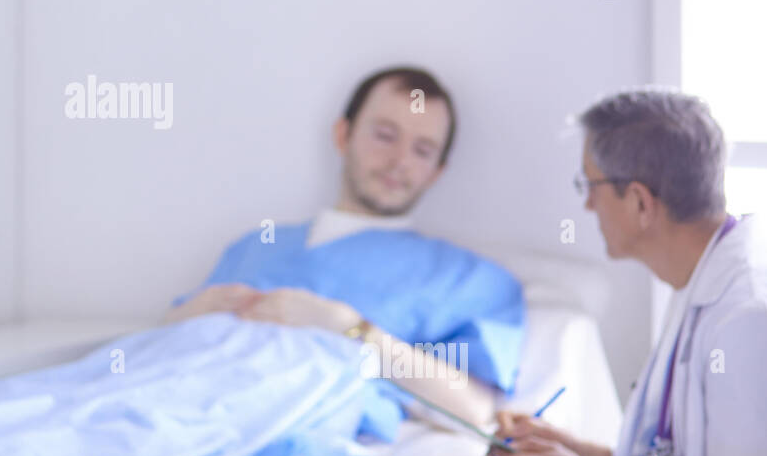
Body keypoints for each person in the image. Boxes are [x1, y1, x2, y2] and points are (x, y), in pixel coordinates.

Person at [162, 66, 526, 426]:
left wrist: (349, 328)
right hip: (169, 401)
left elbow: (475, 410)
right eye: (385, 135)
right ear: (343, 135)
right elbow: (157, 349)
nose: (399, 161)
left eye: (423, 150)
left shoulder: (467, 279)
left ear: (437, 171)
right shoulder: (255, 245)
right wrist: (188, 315)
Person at [490, 88, 767, 456]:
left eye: (591, 184)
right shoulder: (694, 282)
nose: (586, 204)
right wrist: (573, 452)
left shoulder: (745, 321)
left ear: (639, 202)